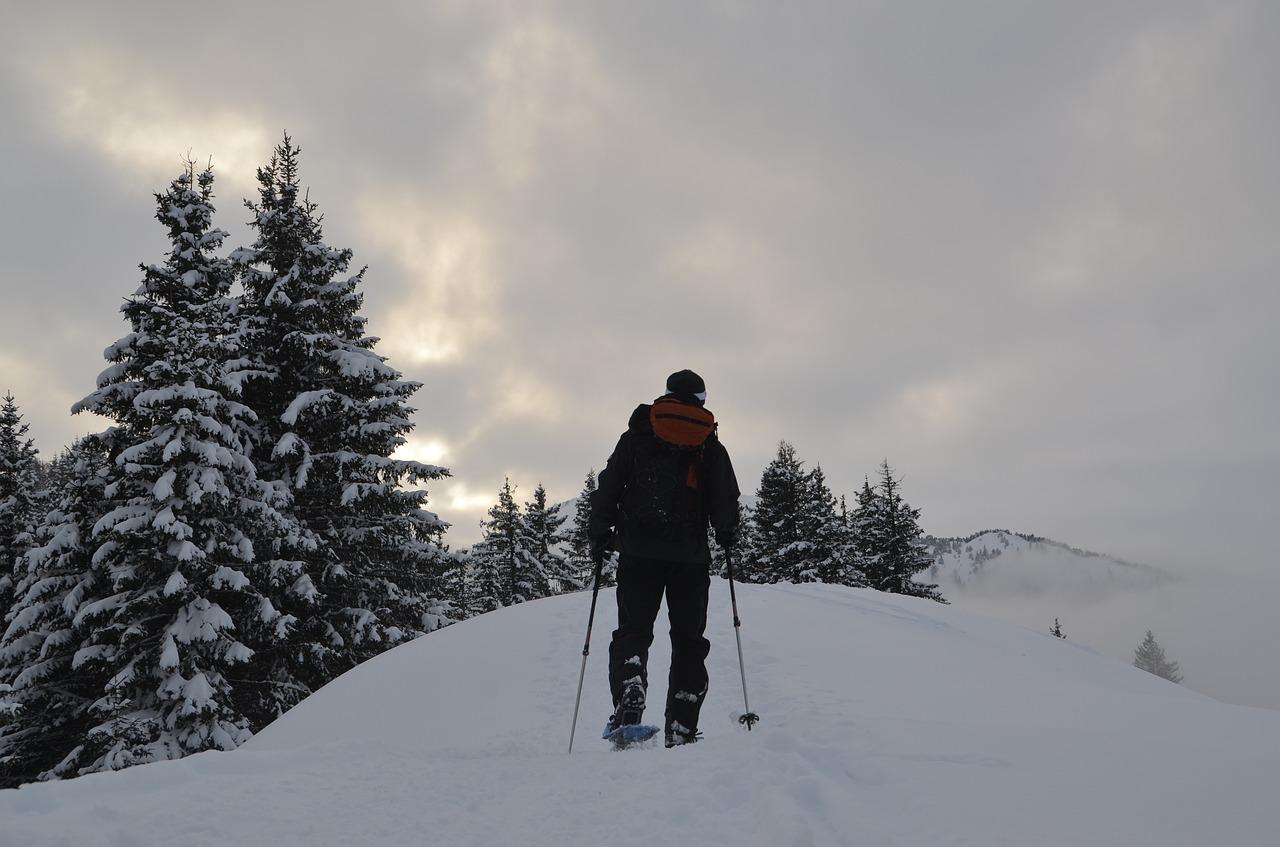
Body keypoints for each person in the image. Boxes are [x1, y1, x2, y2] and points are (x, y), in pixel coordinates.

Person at [588, 369, 741, 747]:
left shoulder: (637, 435)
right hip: (689, 558)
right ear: (701, 401)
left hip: (638, 552)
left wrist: (600, 534)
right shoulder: (708, 443)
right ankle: (682, 722)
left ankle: (630, 686)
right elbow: (726, 498)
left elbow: (608, 486)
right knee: (689, 638)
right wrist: (725, 533)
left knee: (633, 632)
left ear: (666, 395)